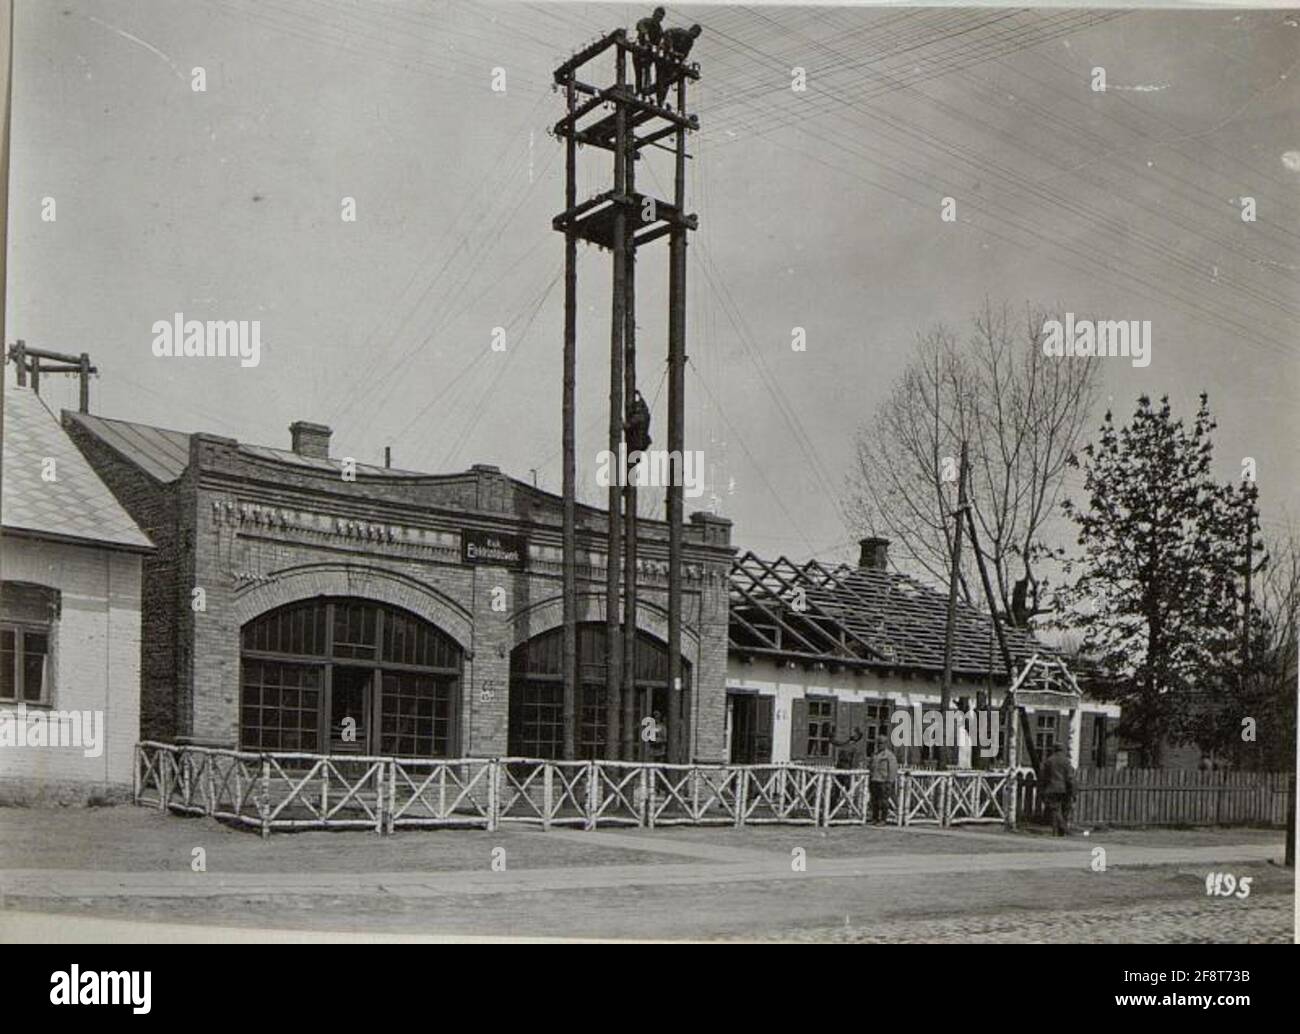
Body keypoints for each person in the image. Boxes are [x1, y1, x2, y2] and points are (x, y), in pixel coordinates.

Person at [656, 23, 701, 107]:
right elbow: (667, 32)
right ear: (691, 30)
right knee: (661, 78)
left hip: (672, 60)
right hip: (665, 55)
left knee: (667, 80)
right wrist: (670, 48)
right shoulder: (681, 32)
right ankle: (659, 100)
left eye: (696, 35)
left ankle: (661, 101)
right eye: (695, 33)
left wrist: (681, 60)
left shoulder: (690, 42)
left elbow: (685, 54)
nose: (694, 36)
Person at [1039, 743, 1074, 836]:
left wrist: (1042, 788)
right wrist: (1071, 789)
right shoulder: (1066, 761)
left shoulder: (1049, 761)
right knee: (1062, 809)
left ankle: (1058, 830)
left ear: (1054, 749)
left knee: (1055, 809)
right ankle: (1061, 830)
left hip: (1051, 788)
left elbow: (1044, 776)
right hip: (1063, 789)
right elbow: (1069, 777)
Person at [633, 8, 666, 98]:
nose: (659, 18)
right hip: (639, 50)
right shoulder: (646, 21)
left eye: (661, 17)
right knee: (638, 73)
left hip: (649, 54)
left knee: (647, 71)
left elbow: (661, 40)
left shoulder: (659, 29)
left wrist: (660, 46)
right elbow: (639, 24)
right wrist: (645, 34)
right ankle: (638, 91)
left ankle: (645, 93)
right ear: (654, 14)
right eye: (658, 16)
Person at [868, 738, 898, 825]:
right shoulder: (875, 755)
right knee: (874, 801)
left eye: (881, 743)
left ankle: (883, 819)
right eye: (878, 743)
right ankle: (875, 818)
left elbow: (893, 769)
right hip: (874, 780)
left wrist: (890, 781)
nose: (879, 745)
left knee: (884, 801)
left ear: (885, 744)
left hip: (884, 781)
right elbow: (871, 766)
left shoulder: (889, 755)